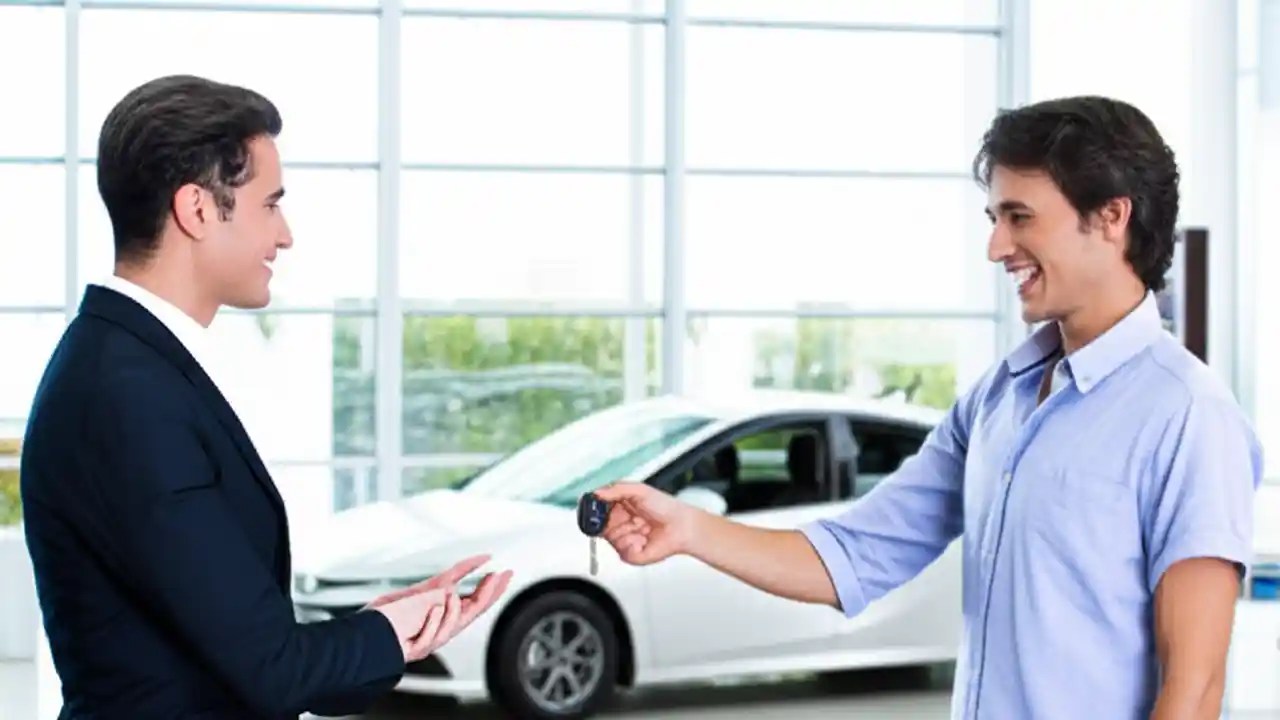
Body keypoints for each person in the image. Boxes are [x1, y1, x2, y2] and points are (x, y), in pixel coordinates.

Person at [594, 96, 1262, 720]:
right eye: (995, 219)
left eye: (1020, 216)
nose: (997, 247)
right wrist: (688, 529)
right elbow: (853, 557)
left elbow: (1194, 685)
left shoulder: (1188, 417)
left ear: (1111, 217)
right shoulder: (1000, 397)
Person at [20, 74, 512, 719]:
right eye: (270, 204)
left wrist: (388, 629)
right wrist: (390, 633)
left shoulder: (132, 368)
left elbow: (237, 650)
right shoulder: (126, 395)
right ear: (197, 209)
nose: (284, 236)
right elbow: (271, 673)